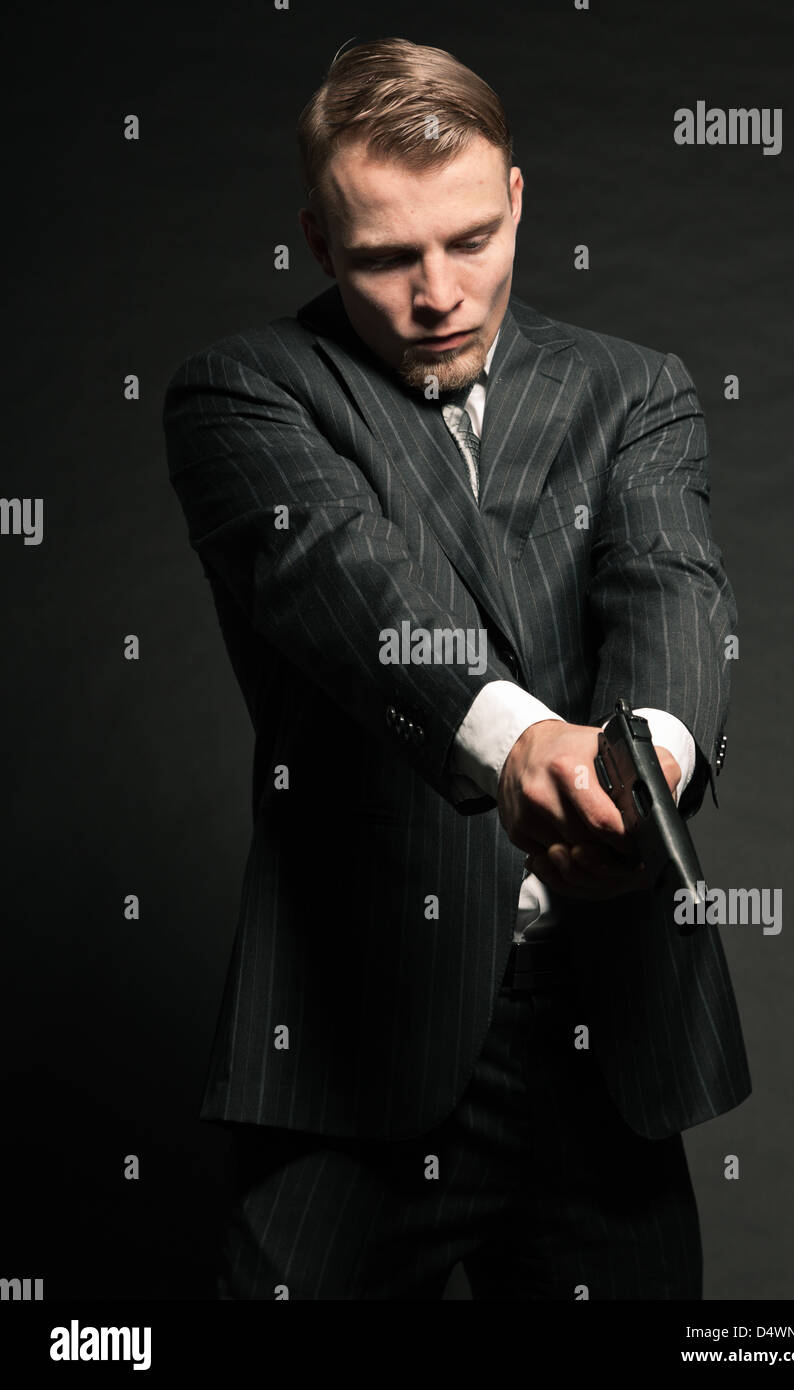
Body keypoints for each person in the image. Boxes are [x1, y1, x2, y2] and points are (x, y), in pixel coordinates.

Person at [163, 36, 751, 1300]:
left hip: (607, 1035)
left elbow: (667, 582)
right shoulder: (244, 395)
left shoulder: (632, 389)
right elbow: (347, 585)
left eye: (472, 238)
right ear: (320, 242)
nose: (440, 292)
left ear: (519, 199)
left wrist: (639, 758)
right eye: (386, 256)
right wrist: (525, 747)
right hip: (358, 1037)